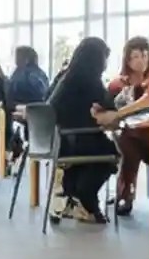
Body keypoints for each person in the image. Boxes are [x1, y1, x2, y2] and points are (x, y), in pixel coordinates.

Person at [92, 37, 149, 215]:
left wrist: (119, 114)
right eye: (135, 56)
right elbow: (104, 105)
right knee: (131, 140)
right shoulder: (119, 82)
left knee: (130, 140)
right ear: (127, 60)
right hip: (136, 136)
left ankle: (126, 194)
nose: (141, 60)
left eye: (144, 54)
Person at [47, 37, 118, 224]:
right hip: (76, 139)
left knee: (95, 149)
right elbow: (109, 107)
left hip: (57, 141)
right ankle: (84, 199)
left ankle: (74, 198)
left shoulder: (63, 77)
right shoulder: (89, 81)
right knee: (112, 152)